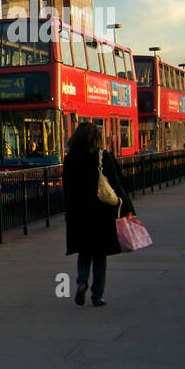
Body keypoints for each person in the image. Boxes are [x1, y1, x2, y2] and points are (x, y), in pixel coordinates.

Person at [63, 121, 135, 307]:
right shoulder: (104, 157)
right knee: (100, 255)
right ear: (96, 138)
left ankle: (81, 282)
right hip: (101, 213)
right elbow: (117, 185)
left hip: (79, 213)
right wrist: (128, 208)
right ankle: (97, 296)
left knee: (84, 251)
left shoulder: (69, 159)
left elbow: (67, 188)